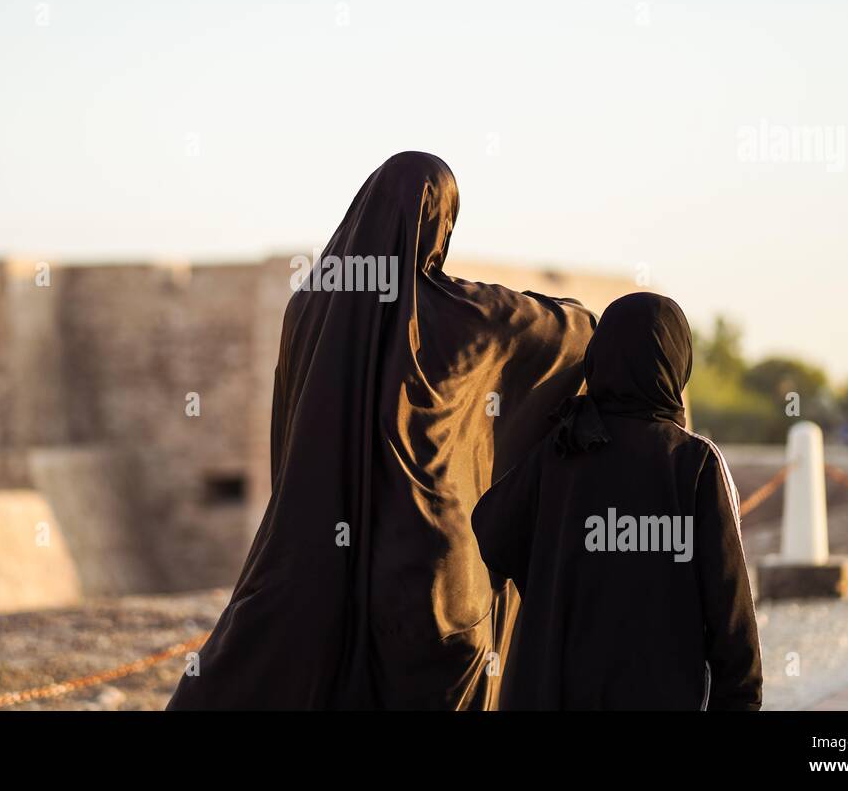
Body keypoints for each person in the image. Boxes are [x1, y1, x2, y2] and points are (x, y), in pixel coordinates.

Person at [168, 151, 595, 709]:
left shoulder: (306, 311)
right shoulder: (466, 316)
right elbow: (578, 330)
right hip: (436, 577)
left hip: (318, 557)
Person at [471, 292, 762, 710]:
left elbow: (493, 536)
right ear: (677, 362)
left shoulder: (561, 451)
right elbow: (732, 626)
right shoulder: (693, 465)